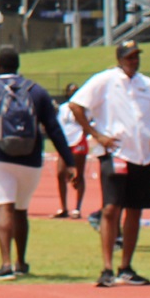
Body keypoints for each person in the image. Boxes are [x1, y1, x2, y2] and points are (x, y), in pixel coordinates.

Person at [0, 47, 74, 279]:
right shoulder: (36, 91)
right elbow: (54, 128)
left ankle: (5, 264)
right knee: (21, 210)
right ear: (18, 66)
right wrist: (69, 160)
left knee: (4, 207)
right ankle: (21, 262)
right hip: (30, 159)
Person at [70, 39, 150, 287]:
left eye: (136, 56)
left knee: (135, 210)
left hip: (143, 157)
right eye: (129, 57)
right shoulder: (105, 80)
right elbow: (76, 105)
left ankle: (126, 266)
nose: (133, 61)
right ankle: (107, 268)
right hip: (116, 154)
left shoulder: (148, 84)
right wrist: (96, 135)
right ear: (119, 59)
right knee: (111, 209)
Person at [52, 81, 88, 218]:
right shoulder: (62, 108)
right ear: (67, 93)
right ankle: (63, 208)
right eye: (71, 91)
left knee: (79, 174)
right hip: (65, 143)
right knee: (60, 174)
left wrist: (85, 134)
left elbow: (90, 123)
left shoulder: (84, 108)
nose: (74, 93)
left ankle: (77, 208)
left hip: (78, 140)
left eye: (76, 90)